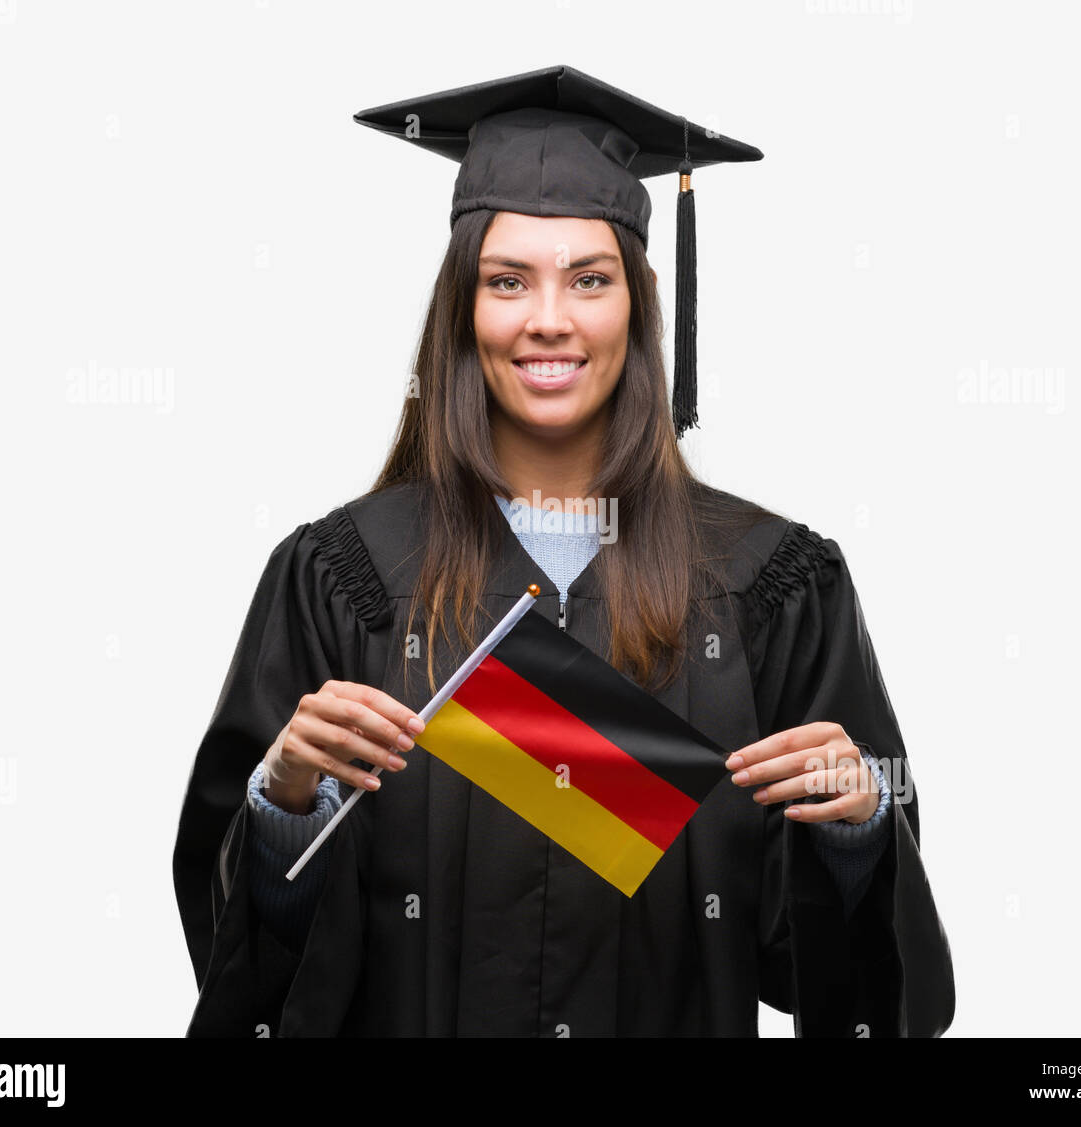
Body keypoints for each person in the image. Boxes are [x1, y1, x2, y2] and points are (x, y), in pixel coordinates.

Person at [172, 65, 955, 1037]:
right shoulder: (342, 578)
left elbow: (843, 987)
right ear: (463, 305)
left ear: (640, 300)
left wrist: (856, 829)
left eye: (589, 277)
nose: (549, 317)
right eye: (508, 280)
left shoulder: (767, 583)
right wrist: (284, 804)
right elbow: (242, 973)